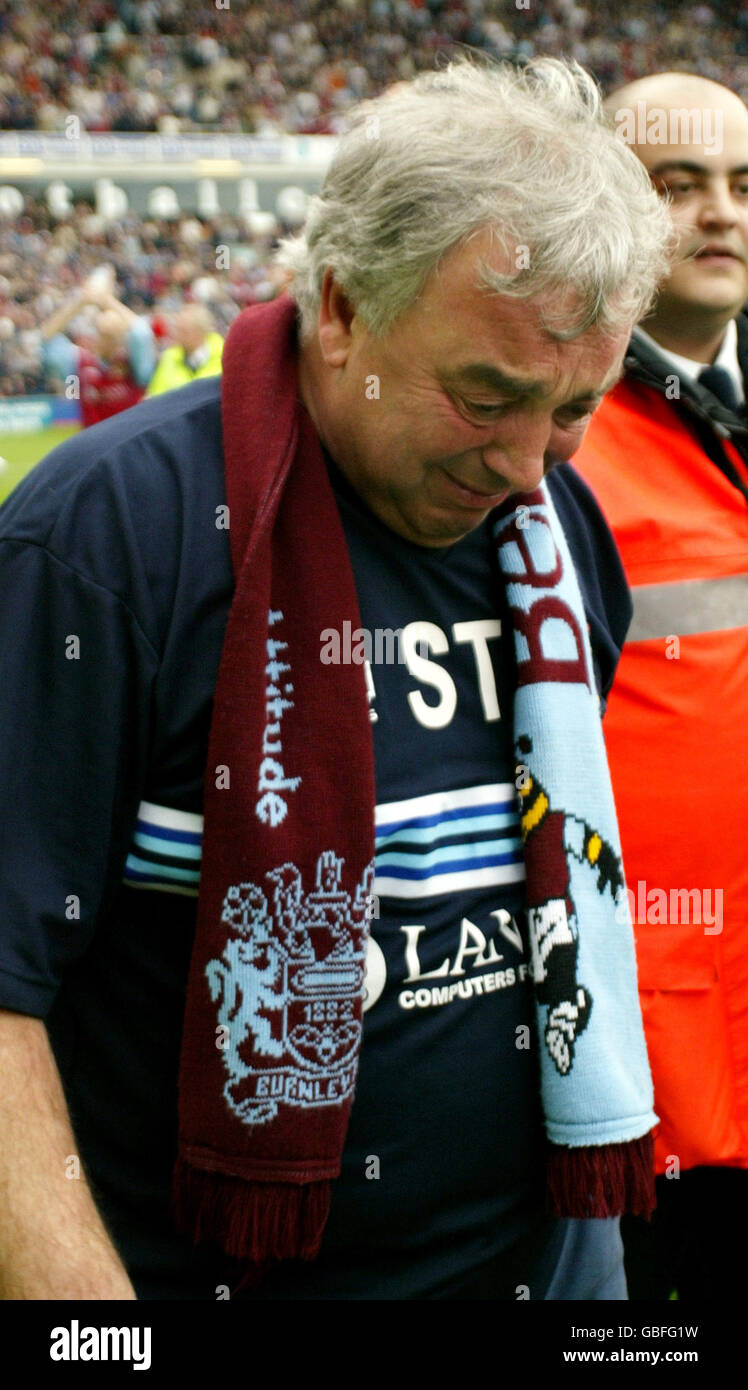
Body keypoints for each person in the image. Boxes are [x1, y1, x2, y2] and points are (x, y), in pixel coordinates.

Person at [0, 58, 672, 1302]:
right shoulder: (103, 542)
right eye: (487, 397)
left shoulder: (559, 534)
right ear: (343, 308)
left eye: (575, 408)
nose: (530, 466)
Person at [572, 72, 748, 1300]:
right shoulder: (553, 434)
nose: (718, 213)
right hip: (651, 1039)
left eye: (740, 186)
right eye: (675, 186)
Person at [41, 271, 156, 427]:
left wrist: (107, 301)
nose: (108, 340)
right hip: (94, 445)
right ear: (95, 335)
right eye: (103, 334)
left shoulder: (134, 363)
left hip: (128, 441)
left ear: (122, 338)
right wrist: (80, 301)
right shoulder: (79, 361)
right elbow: (47, 338)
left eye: (113, 335)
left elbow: (142, 332)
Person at [146, 303, 224, 397]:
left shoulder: (223, 357)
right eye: (176, 329)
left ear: (199, 332)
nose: (175, 334)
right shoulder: (169, 357)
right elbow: (153, 395)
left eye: (182, 331)